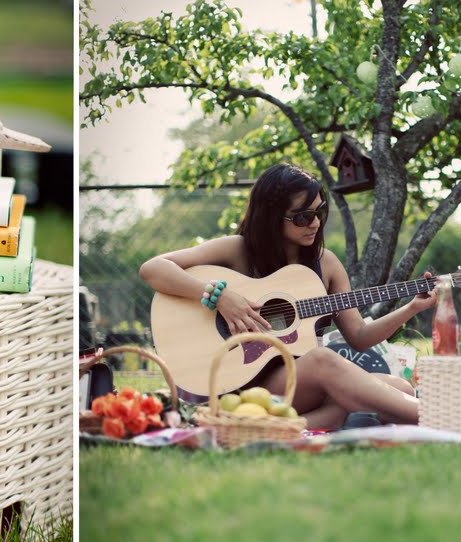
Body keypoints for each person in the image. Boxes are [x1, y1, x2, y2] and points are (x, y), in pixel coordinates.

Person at [138, 163, 433, 428]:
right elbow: (153, 268)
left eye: (319, 212)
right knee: (323, 361)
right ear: (271, 216)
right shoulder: (237, 250)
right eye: (302, 217)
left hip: (295, 387)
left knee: (399, 388)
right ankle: (434, 417)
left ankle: (275, 427)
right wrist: (221, 297)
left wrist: (410, 308)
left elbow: (358, 335)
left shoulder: (326, 264)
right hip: (240, 386)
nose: (315, 223)